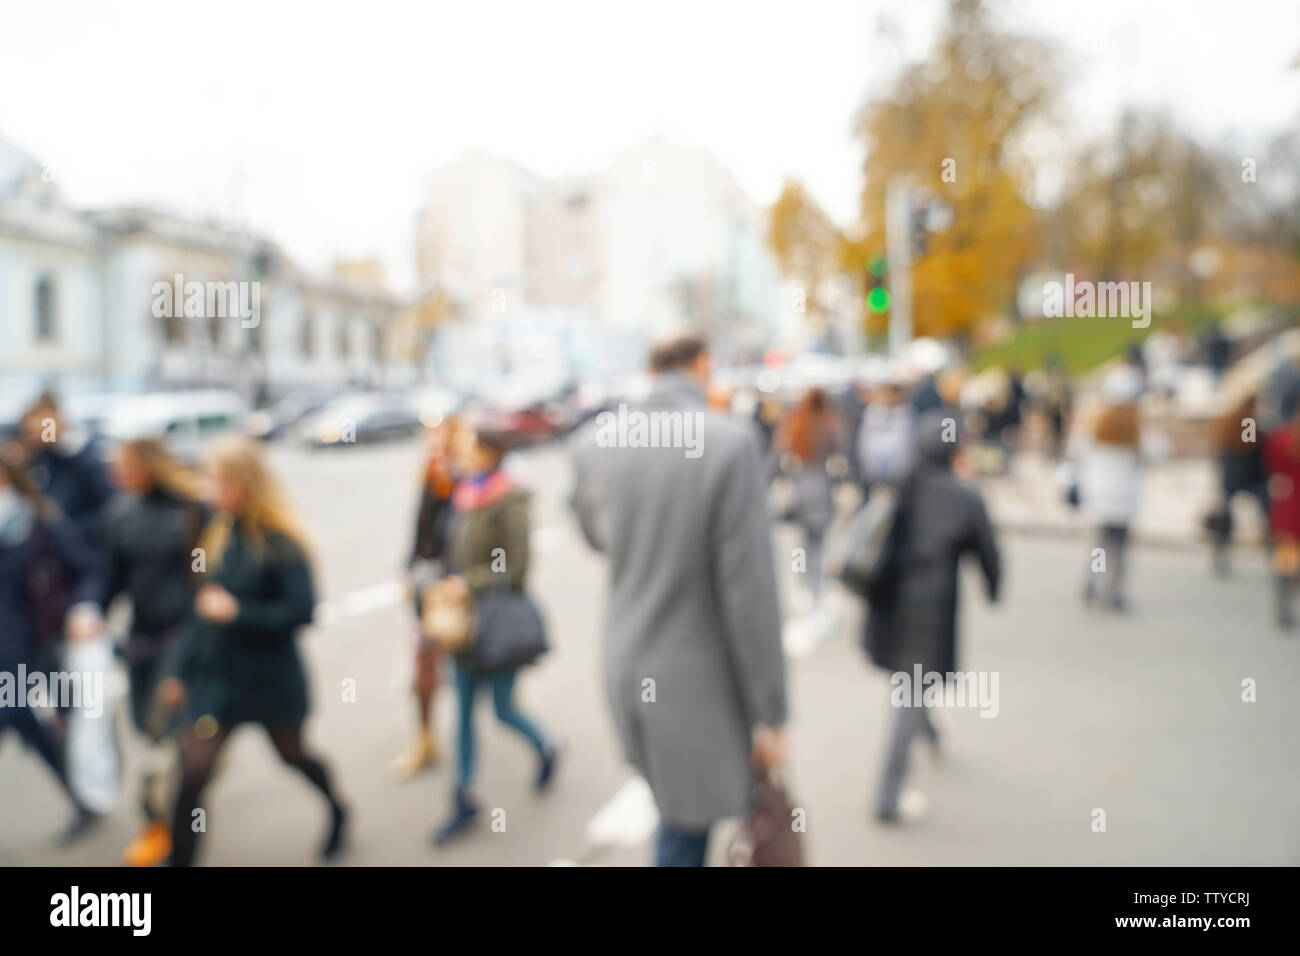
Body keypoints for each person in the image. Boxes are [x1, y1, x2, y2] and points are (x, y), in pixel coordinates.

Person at [571, 333, 789, 867]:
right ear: (702, 365)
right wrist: (772, 712)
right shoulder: (729, 446)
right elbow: (751, 593)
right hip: (695, 684)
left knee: (673, 814)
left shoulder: (595, 444)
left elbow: (598, 537)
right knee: (683, 832)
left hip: (624, 668)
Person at [160, 436, 347, 866]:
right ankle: (180, 856)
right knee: (193, 773)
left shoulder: (281, 541)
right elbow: (201, 611)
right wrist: (180, 672)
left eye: (222, 482)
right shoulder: (217, 533)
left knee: (294, 756)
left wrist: (239, 611)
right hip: (219, 681)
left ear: (247, 483)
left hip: (270, 680)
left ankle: (337, 808)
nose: (213, 491)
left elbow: (302, 612)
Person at [864, 411, 1000, 823]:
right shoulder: (964, 498)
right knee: (910, 689)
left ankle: (931, 733)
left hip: (890, 602)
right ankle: (887, 798)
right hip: (931, 608)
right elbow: (988, 554)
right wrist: (993, 588)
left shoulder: (902, 485)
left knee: (910, 681)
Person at [433, 420, 559, 844]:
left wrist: (469, 582)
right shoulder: (467, 492)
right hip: (464, 623)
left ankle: (546, 747)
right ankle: (464, 797)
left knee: (504, 709)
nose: (462, 452)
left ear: (490, 451)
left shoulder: (509, 499)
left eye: (470, 446)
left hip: (497, 623)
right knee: (463, 711)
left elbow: (514, 567)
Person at [101, 438, 208, 866]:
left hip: (179, 639)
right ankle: (170, 814)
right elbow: (111, 577)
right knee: (147, 729)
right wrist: (92, 611)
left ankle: (163, 825)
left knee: (165, 739)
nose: (118, 473)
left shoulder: (189, 510)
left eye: (126, 465)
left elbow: (203, 573)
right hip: (141, 641)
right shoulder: (119, 514)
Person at [0, 453, 105, 844]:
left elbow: (88, 570)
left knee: (15, 718)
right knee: (36, 732)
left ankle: (86, 793)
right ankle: (83, 797)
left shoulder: (41, 522)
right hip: (6, 657)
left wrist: (85, 608)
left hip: (36, 649)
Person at [392, 419, 459, 778]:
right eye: (431, 444)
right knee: (423, 664)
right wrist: (409, 569)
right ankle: (425, 739)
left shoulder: (462, 486)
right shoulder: (430, 483)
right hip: (428, 588)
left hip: (453, 590)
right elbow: (418, 533)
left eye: (441, 445)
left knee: (465, 666)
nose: (434, 452)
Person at [1076, 368, 1146, 612]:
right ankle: (1112, 590)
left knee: (1101, 543)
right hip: (1125, 495)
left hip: (1100, 492)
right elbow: (1159, 451)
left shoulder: (1096, 423)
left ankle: (1092, 581)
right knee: (1120, 546)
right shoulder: (1136, 428)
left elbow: (1078, 452)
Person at [16, 392, 115, 556]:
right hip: (58, 548)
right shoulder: (43, 457)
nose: (33, 437)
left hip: (87, 546)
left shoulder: (88, 458)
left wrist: (68, 527)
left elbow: (108, 509)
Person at [774, 388, 842, 614]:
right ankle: (818, 587)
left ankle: (804, 585)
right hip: (821, 489)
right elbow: (839, 456)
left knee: (802, 544)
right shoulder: (828, 424)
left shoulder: (796, 423)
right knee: (819, 543)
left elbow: (781, 455)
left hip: (802, 489)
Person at [1206, 396, 1268, 577]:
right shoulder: (1247, 422)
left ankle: (1221, 553)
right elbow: (1248, 444)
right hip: (1248, 479)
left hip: (1230, 478)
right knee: (1265, 514)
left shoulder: (1228, 423)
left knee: (1226, 518)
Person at [1263, 405, 1300, 631]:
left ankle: (1283, 606)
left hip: (1287, 504)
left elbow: (1268, 467)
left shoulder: (1280, 439)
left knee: (1286, 560)